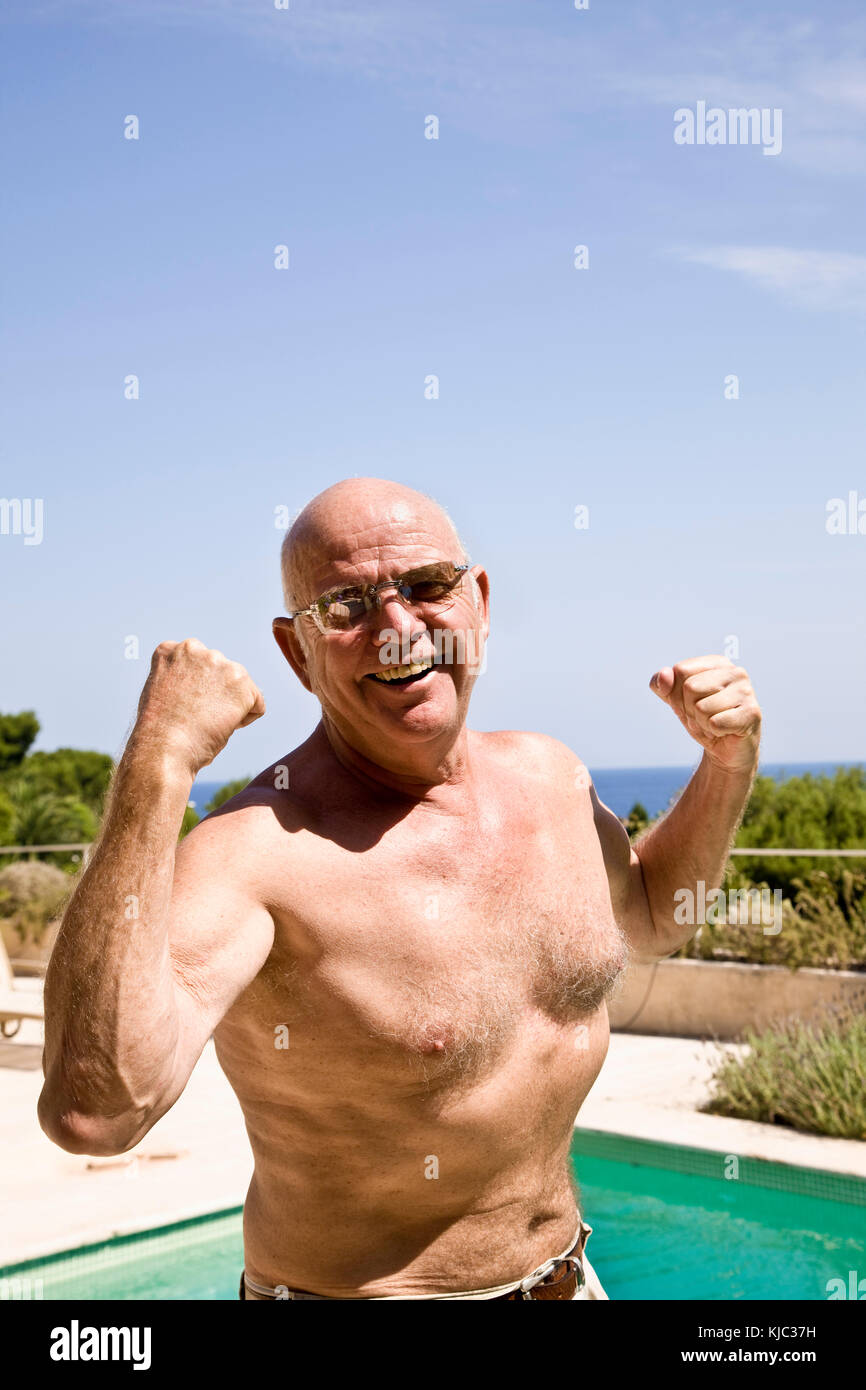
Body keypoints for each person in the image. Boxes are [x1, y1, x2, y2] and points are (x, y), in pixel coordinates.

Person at [38, 477, 762, 1301]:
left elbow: (653, 915)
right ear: (294, 651)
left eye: (426, 586)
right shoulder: (257, 853)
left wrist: (726, 766)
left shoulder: (550, 778)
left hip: (568, 1281)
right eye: (345, 605)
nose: (398, 628)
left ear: (478, 602)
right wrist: (156, 763)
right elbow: (94, 1111)